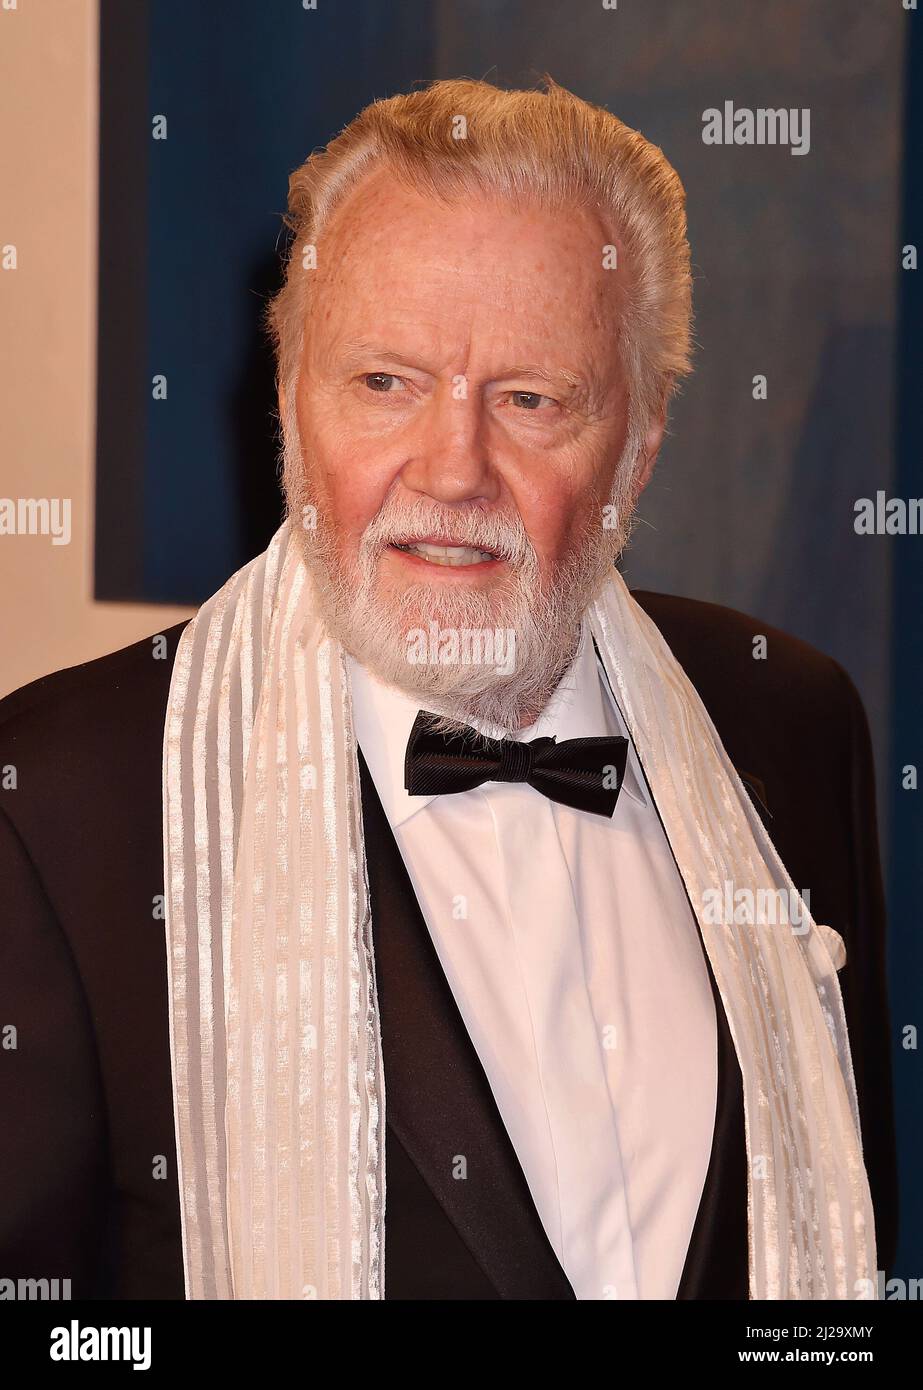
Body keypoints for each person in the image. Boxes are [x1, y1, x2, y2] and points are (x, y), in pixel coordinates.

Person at [0, 76, 897, 1301]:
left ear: (638, 444)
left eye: (529, 399)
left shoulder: (789, 727)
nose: (452, 466)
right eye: (383, 383)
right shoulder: (57, 803)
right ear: (286, 402)